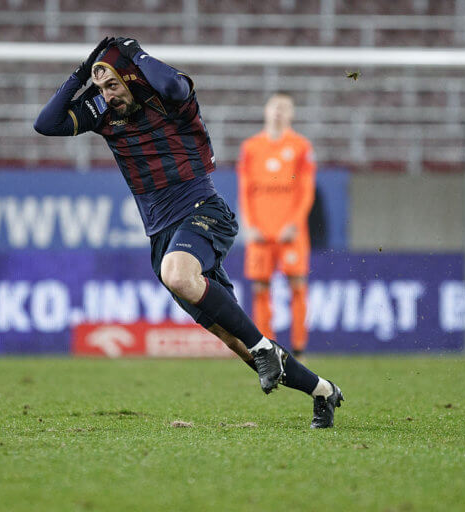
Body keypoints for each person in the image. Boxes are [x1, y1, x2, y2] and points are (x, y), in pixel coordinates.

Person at [34, 37, 343, 428]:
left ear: (131, 76)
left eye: (113, 84)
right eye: (101, 88)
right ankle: (322, 391)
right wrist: (82, 73)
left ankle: (264, 347)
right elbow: (45, 124)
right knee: (236, 339)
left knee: (178, 274)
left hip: (203, 211)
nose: (107, 95)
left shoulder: (169, 100)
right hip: (162, 234)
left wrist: (136, 53)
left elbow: (174, 84)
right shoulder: (103, 112)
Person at [236, 92, 316, 360]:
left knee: (297, 286)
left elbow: (306, 191)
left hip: (291, 232)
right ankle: (267, 352)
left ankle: (299, 350)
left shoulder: (301, 146)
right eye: (275, 106)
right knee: (260, 289)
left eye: (285, 107)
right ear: (266, 110)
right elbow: (244, 190)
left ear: (292, 113)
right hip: (260, 231)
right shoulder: (251, 147)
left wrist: (294, 223)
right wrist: (248, 224)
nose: (279, 112)